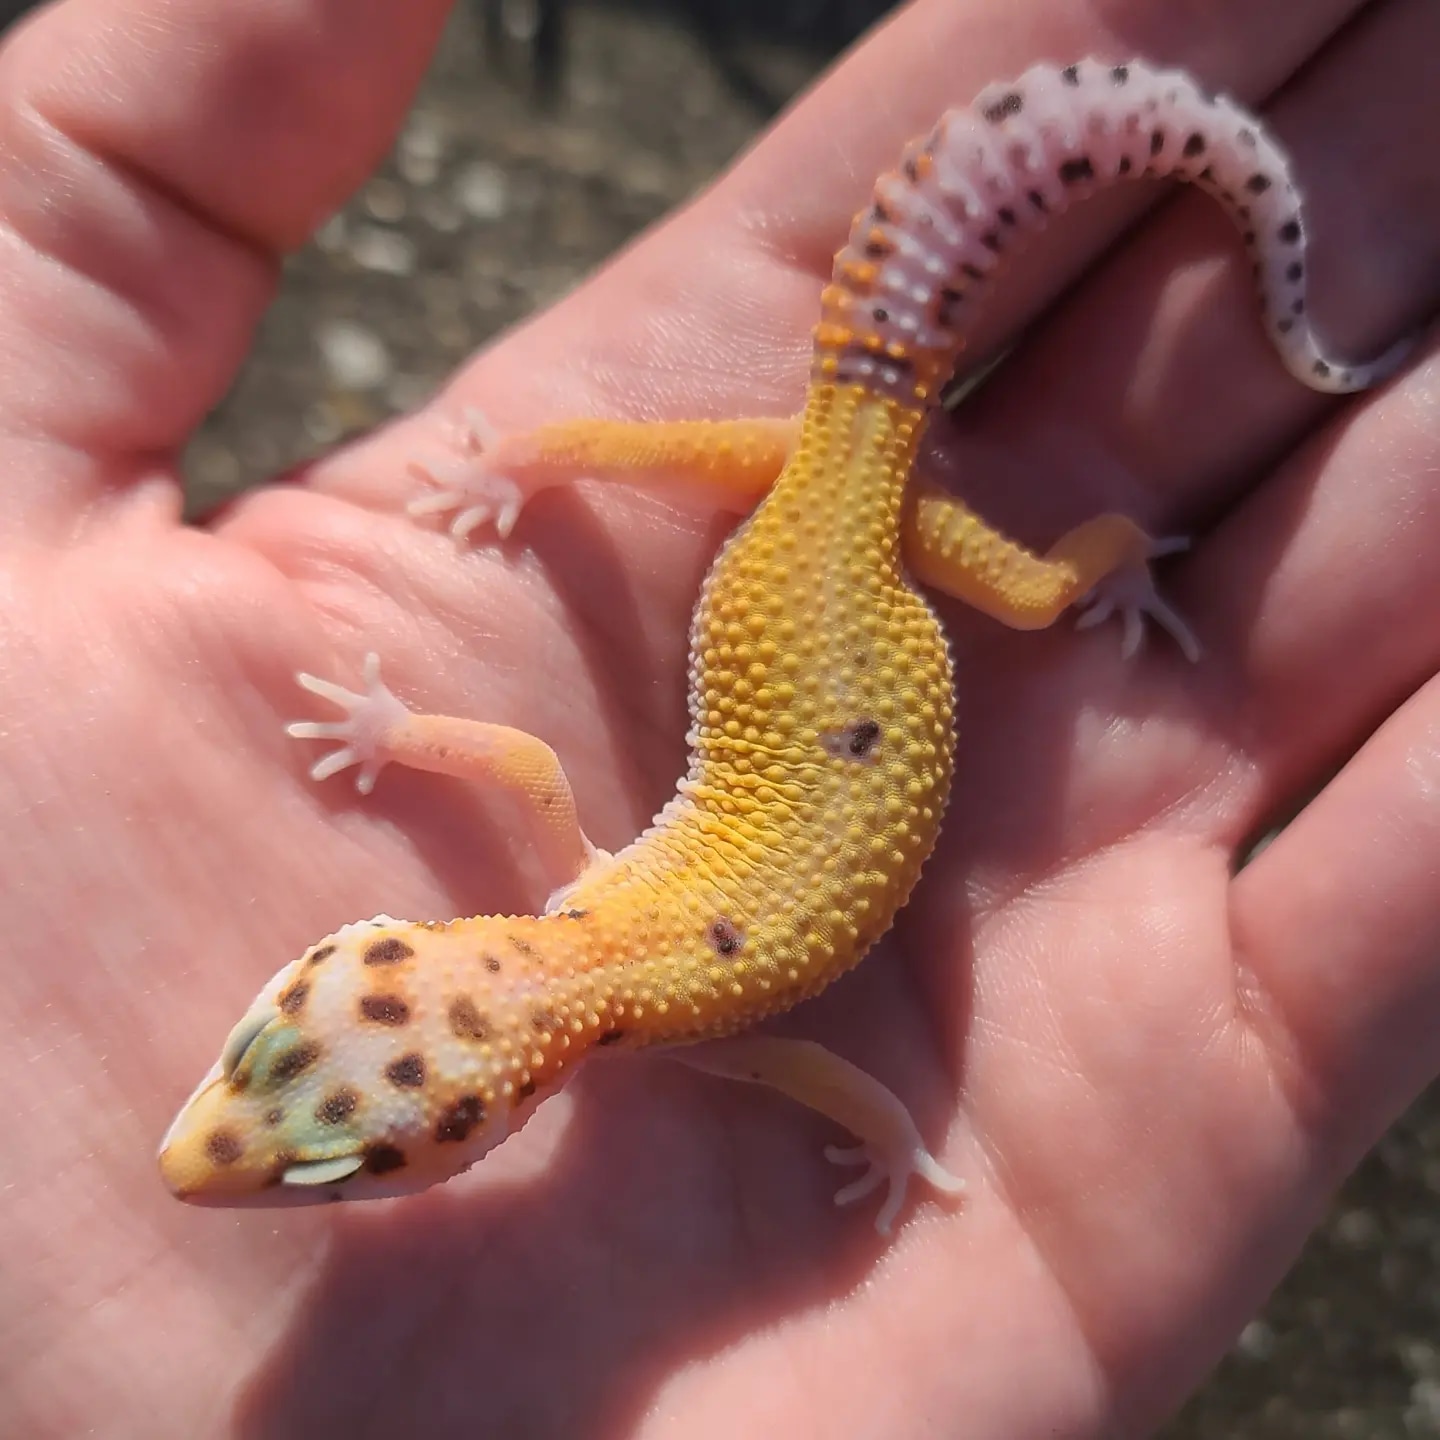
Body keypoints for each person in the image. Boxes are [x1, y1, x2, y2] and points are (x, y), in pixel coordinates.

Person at [1, 0, 1436, 1434]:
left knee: (1034, 590)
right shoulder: (602, 928)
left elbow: (837, 1080)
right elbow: (526, 769)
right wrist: (441, 631)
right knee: (1028, 581)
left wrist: (899, 1154)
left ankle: (1113, 547)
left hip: (839, 549)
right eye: (314, 1138)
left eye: (300, 1110)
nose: (208, 1151)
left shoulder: (691, 1029)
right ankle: (1109, 542)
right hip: (826, 545)